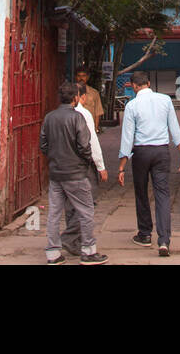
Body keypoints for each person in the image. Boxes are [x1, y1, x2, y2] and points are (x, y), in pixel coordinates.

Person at [118, 70, 180, 257]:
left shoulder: (131, 106)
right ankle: (164, 240)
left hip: (141, 152)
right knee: (163, 194)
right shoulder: (165, 100)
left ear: (134, 86)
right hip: (161, 151)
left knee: (141, 192)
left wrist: (122, 166)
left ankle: (144, 234)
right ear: (149, 83)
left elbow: (127, 138)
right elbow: (175, 129)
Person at [38, 82, 107, 265]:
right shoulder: (78, 118)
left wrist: (55, 158)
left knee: (54, 213)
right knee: (86, 211)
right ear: (76, 98)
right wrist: (85, 163)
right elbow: (85, 146)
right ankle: (88, 251)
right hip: (76, 173)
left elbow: (43, 145)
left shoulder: (49, 118)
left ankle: (53, 253)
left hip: (56, 174)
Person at [58, 83, 108, 258]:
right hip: (82, 166)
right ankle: (71, 238)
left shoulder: (56, 115)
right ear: (80, 97)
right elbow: (91, 142)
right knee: (88, 204)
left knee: (70, 205)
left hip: (62, 165)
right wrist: (100, 166)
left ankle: (75, 240)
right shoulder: (84, 114)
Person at [75, 68, 104, 133]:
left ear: (87, 77)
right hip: (75, 128)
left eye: (83, 76)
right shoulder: (71, 92)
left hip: (89, 128)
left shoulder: (94, 93)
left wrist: (95, 129)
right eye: (79, 76)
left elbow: (97, 113)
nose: (81, 78)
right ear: (75, 77)